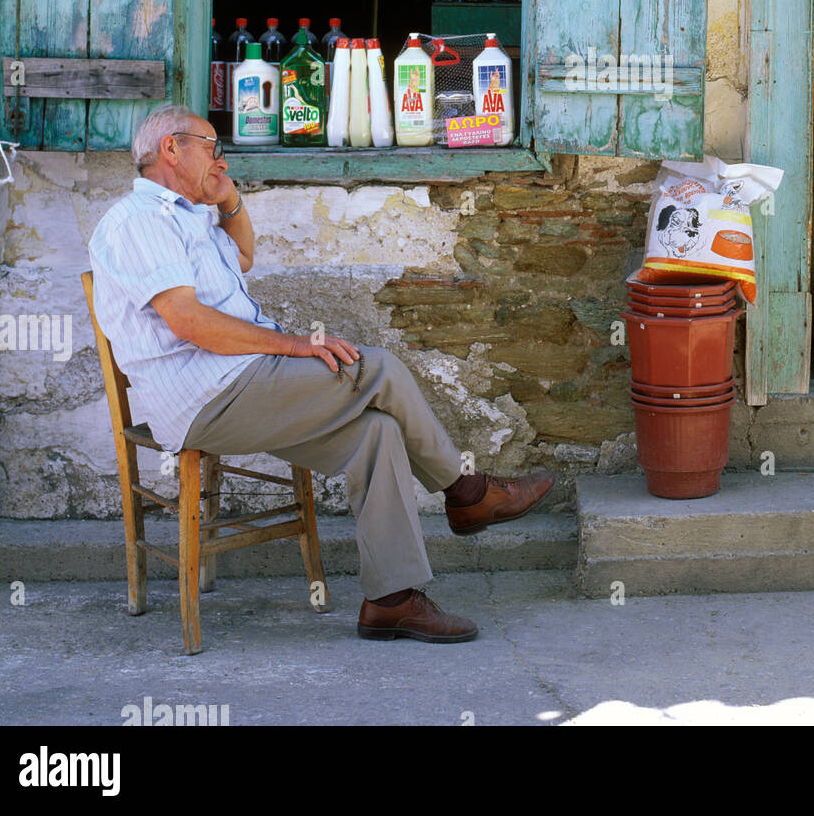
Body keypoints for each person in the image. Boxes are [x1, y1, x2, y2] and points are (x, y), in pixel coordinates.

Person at [88, 103, 553, 643]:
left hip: (244, 383)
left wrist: (229, 198)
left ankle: (390, 600)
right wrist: (294, 347)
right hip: (206, 398)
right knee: (376, 368)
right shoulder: (140, 220)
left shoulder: (189, 216)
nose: (220, 160)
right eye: (213, 148)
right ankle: (468, 493)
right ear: (172, 148)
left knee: (376, 435)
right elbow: (190, 323)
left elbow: (242, 255)